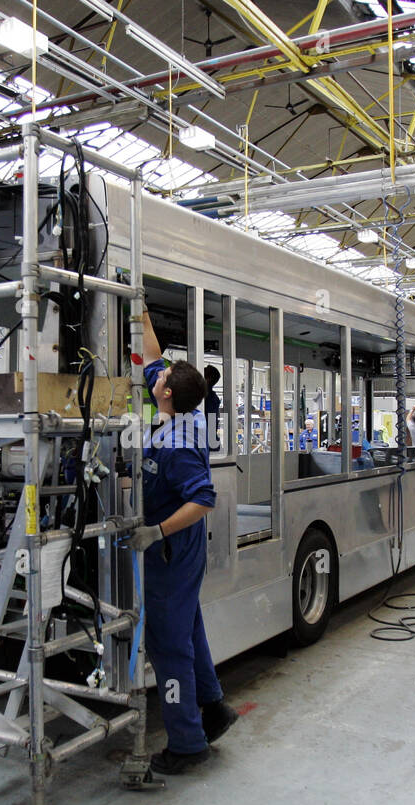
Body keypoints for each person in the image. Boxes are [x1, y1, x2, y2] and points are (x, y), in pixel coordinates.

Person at [124, 310, 236, 774]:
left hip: (173, 548)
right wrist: (141, 308)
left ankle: (187, 744)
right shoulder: (179, 403)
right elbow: (152, 354)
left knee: (169, 647)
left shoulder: (180, 441)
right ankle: (213, 708)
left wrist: (155, 531)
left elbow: (203, 499)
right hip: (177, 547)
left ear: (166, 393)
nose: (158, 372)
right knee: (188, 627)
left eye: (163, 375)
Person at [203, 365, 222, 451]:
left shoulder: (210, 398)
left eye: (205, 370)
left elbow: (211, 422)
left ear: (208, 379)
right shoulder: (208, 397)